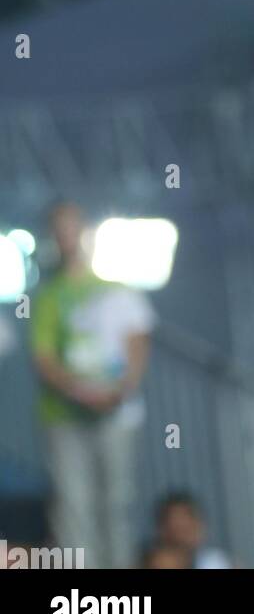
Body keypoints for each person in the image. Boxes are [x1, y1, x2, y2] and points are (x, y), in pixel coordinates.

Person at [30, 201, 154, 569]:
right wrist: (82, 393)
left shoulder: (118, 290)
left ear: (87, 230)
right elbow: (44, 359)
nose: (67, 236)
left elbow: (137, 343)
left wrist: (119, 391)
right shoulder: (48, 297)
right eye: (59, 228)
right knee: (73, 505)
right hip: (64, 416)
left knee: (117, 501)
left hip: (117, 414)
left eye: (73, 226)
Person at [153, 491, 234, 569]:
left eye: (188, 529)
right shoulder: (157, 563)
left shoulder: (215, 561)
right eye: (179, 530)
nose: (183, 539)